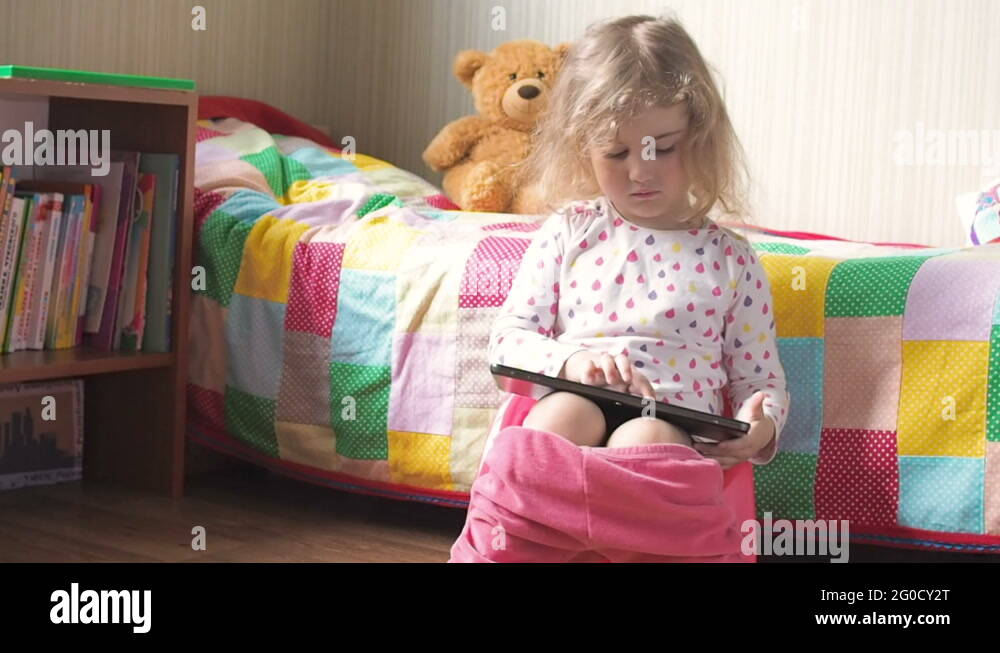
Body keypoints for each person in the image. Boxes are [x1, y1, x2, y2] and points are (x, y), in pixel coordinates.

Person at [449, 13, 791, 563]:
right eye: (616, 152)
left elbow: (758, 376)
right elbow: (507, 341)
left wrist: (763, 425)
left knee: (643, 441)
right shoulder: (570, 231)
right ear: (582, 145)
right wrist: (573, 362)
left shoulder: (730, 258)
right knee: (562, 417)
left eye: (664, 147)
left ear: (698, 136)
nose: (640, 170)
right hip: (578, 401)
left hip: (672, 431)